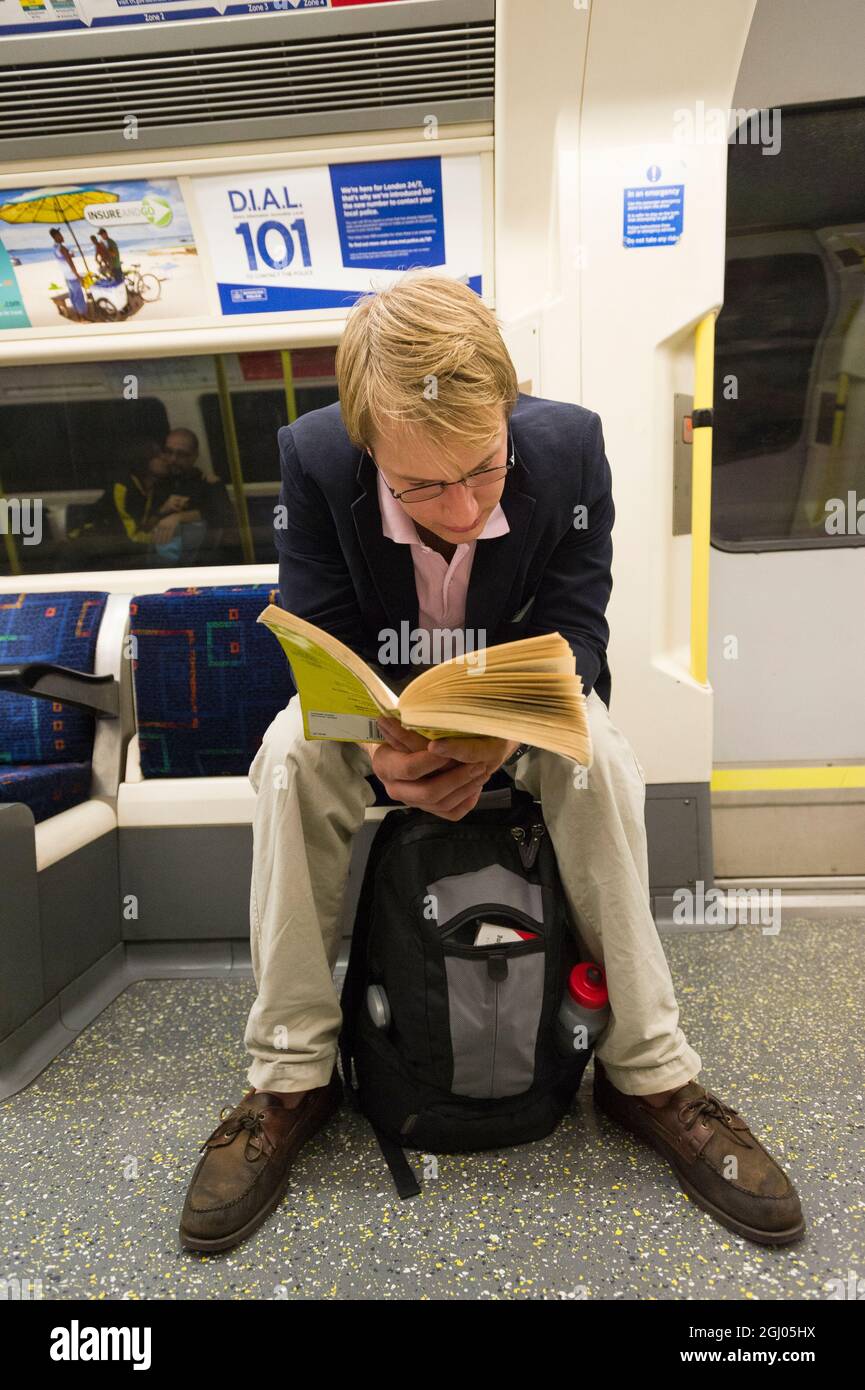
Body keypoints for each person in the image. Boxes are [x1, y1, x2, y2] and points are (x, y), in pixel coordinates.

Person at [179, 271, 805, 1254]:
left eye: (482, 468)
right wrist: (386, 747)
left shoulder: (563, 449)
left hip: (509, 712)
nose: (465, 507)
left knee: (600, 751)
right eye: (423, 486)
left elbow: (578, 634)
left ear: (507, 415)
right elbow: (319, 630)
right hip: (384, 716)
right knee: (288, 757)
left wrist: (500, 737)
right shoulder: (312, 457)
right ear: (368, 445)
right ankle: (289, 1074)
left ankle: (649, 1072)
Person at [66, 438, 191, 569]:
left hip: (116, 547)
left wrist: (161, 512)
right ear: (144, 461)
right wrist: (161, 540)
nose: (166, 459)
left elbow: (141, 526)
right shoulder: (123, 487)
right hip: (89, 543)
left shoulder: (152, 488)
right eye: (158, 456)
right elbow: (130, 537)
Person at [162, 427, 236, 563]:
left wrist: (180, 517)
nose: (173, 459)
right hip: (159, 558)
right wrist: (163, 509)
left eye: (181, 454)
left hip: (200, 558)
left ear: (194, 456)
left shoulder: (208, 483)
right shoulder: (156, 482)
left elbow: (224, 515)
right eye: (168, 452)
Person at [49, 228, 87, 321]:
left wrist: (69, 255)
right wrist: (78, 277)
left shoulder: (55, 247)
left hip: (66, 275)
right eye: (60, 235)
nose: (62, 236)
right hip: (72, 276)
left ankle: (78, 314)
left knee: (73, 296)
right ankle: (82, 316)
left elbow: (63, 258)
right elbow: (71, 264)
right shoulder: (62, 248)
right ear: (56, 237)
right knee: (78, 296)